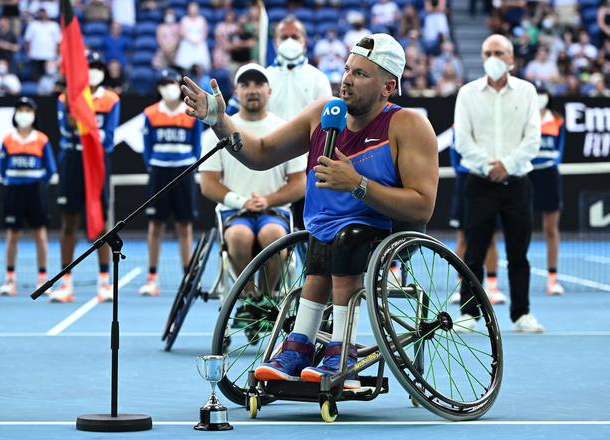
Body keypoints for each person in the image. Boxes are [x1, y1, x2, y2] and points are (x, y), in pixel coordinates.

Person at [182, 34, 438, 387]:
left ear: (388, 87)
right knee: (323, 238)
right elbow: (259, 153)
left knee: (345, 238)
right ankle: (299, 345)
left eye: (361, 74)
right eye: (347, 69)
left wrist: (358, 185)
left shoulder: (409, 125)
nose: (347, 79)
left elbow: (423, 207)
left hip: (388, 231)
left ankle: (341, 350)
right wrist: (220, 122)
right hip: (326, 234)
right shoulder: (323, 114)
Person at [454, 34, 544, 333]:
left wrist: (507, 166)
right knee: (473, 253)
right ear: (481, 57)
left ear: (511, 58)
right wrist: (488, 166)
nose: (493, 57)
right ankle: (469, 313)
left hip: (517, 183)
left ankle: (521, 314)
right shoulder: (467, 93)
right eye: (488, 52)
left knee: (519, 253)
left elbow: (533, 139)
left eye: (499, 52)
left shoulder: (528, 92)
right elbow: (462, 140)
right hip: (479, 184)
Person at [199, 63, 306, 305]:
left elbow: (300, 183)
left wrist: (268, 200)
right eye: (245, 85)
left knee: (274, 235)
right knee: (238, 237)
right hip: (234, 212)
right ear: (236, 92)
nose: (252, 90)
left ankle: (267, 300)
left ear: (270, 91)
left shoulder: (285, 130)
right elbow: (208, 183)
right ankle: (248, 297)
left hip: (274, 211)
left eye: (259, 84)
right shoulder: (217, 131)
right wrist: (242, 201)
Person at [50, 52, 121, 303]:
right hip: (72, 163)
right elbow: (64, 132)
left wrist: (84, 126)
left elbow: (109, 140)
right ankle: (66, 283)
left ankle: (104, 282)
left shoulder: (111, 100)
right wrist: (77, 122)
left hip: (97, 164)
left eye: (98, 67)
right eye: (89, 67)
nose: (94, 71)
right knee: (68, 222)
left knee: (100, 223)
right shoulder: (66, 98)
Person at [137, 68, 202, 297]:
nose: (168, 88)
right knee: (156, 225)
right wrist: (154, 166)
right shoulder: (150, 113)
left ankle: (188, 277)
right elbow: (147, 148)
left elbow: (197, 147)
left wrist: (190, 166)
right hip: (159, 173)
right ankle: (152, 277)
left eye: (171, 83)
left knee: (185, 226)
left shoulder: (191, 113)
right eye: (163, 83)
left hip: (184, 173)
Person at [265, 16, 332, 230]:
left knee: (310, 232)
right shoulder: (263, 78)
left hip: (308, 168)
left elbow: (327, 125)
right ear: (275, 42)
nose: (289, 41)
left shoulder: (318, 78)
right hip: (271, 167)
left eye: (295, 36)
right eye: (284, 37)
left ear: (304, 41)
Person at [0, 97, 56, 297]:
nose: (24, 113)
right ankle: (10, 278)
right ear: (15, 114)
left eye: (27, 110)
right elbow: (2, 169)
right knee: (12, 235)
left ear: (34, 114)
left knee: (40, 234)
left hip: (35, 191)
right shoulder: (7, 140)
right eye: (20, 109)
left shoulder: (42, 140)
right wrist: (14, 180)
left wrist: (38, 183)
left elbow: (50, 169)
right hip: (14, 191)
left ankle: (42, 278)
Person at [448, 141, 506, 305]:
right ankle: (461, 287)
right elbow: (456, 157)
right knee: (463, 238)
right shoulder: (458, 128)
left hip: (489, 181)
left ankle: (492, 287)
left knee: (491, 238)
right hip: (465, 181)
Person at [529, 82, 565, 296]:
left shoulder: (558, 121)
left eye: (543, 93)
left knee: (551, 229)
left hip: (549, 176)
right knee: (521, 228)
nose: (541, 97)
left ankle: (553, 279)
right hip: (527, 175)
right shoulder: (524, 118)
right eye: (537, 93)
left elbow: (560, 150)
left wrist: (551, 165)